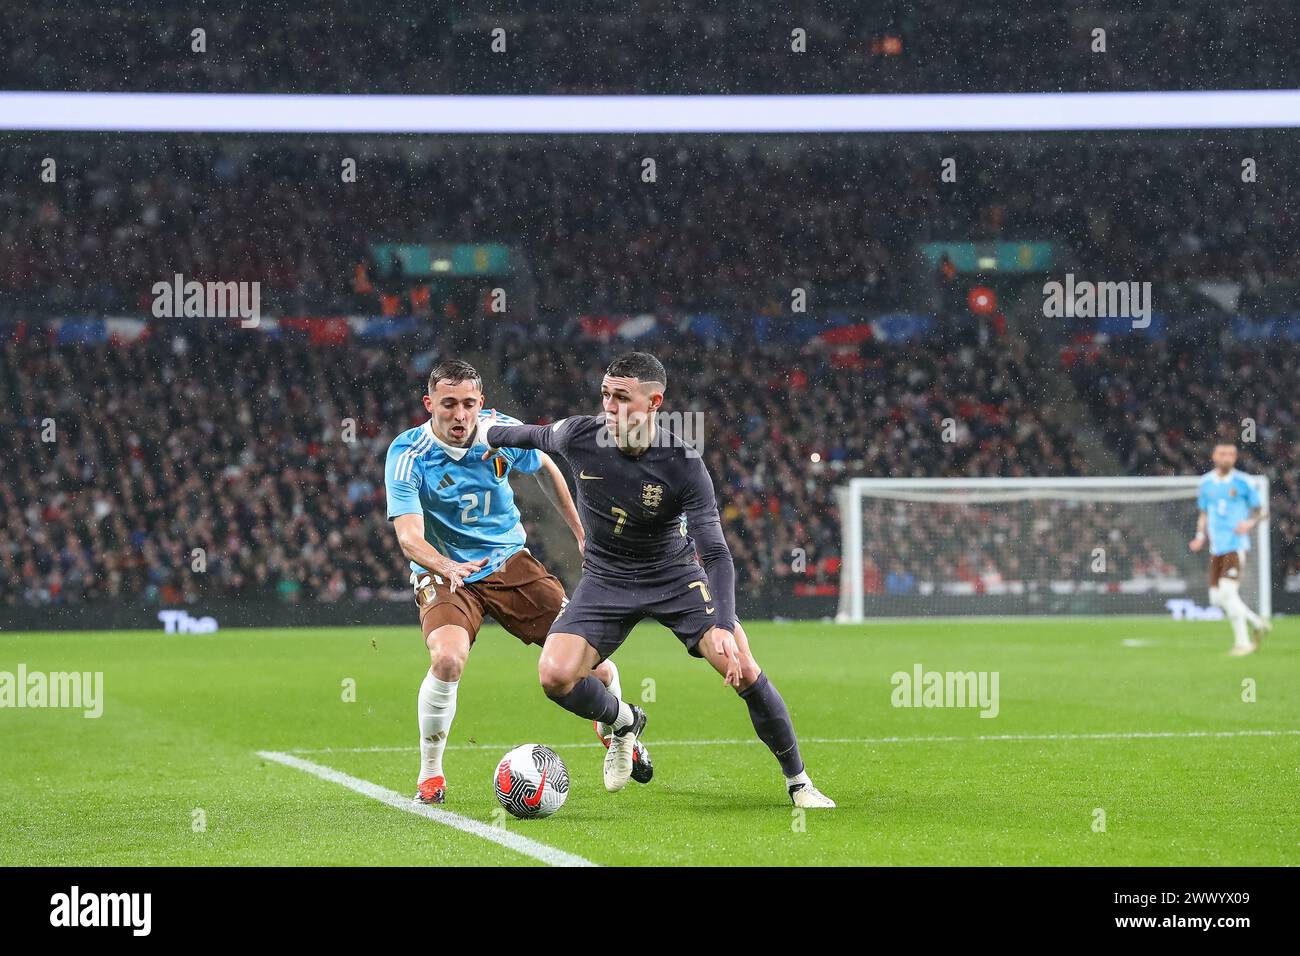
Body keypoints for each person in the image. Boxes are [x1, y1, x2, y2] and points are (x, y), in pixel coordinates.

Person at [482, 351, 834, 808]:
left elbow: (716, 552)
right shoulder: (578, 435)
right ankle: (623, 720)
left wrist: (724, 624)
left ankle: (799, 782)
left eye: (622, 398)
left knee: (743, 668)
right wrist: (479, 433)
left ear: (653, 403)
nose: (609, 406)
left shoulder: (682, 463)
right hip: (606, 577)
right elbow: (519, 434)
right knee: (554, 675)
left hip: (673, 576)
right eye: (606, 394)